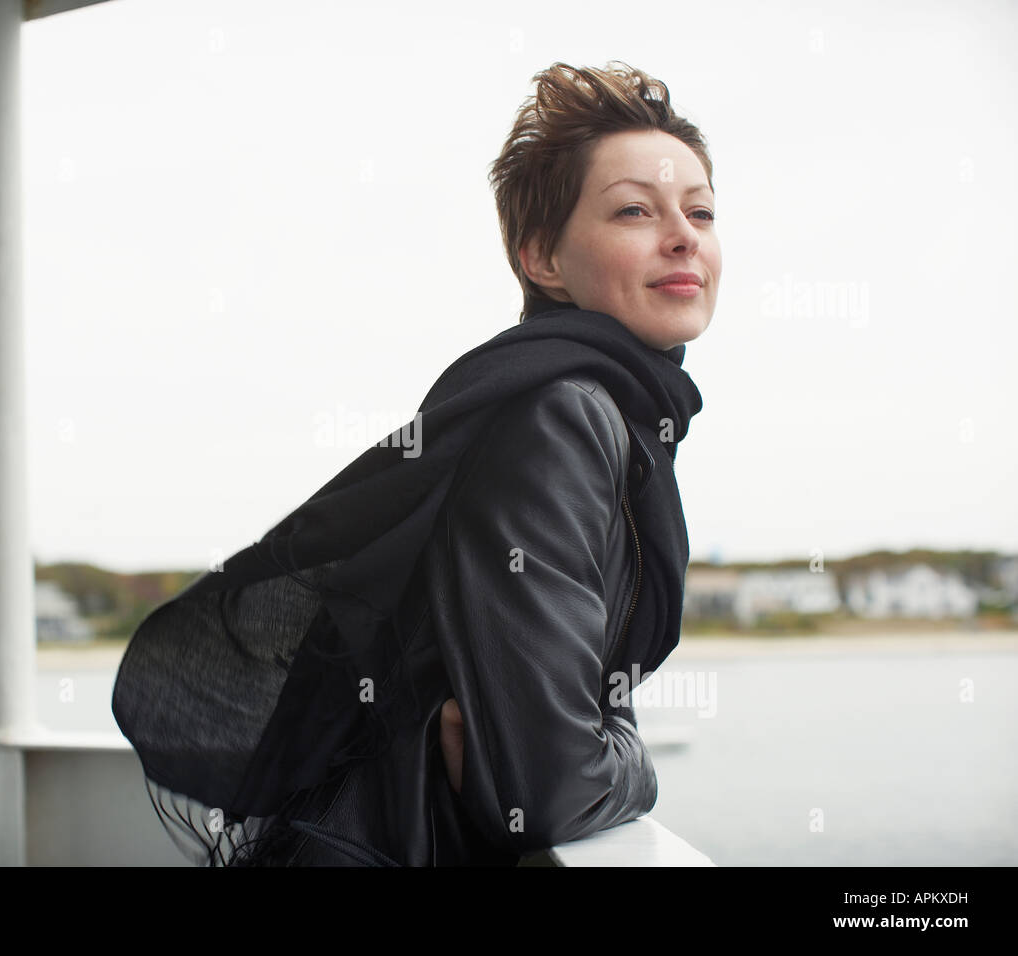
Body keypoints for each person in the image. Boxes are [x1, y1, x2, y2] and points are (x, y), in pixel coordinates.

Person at [112, 60, 718, 866]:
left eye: (702, 211)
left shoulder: (600, 410)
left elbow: (573, 704)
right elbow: (549, 787)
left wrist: (596, 734)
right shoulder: (561, 416)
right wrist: (635, 767)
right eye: (635, 210)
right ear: (541, 258)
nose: (683, 235)